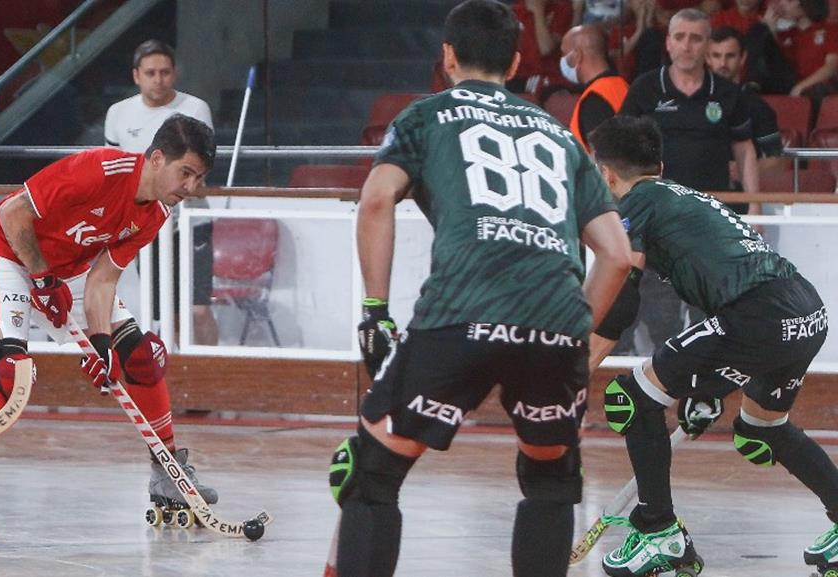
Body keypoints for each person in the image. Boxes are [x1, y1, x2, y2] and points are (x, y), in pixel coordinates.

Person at [325, 2, 632, 576]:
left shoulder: (426, 116)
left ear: (446, 57)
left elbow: (374, 200)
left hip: (460, 315)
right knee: (551, 481)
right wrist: (570, 334)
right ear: (516, 62)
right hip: (558, 324)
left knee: (370, 474)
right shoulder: (559, 137)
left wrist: (375, 311)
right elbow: (616, 255)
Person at [0, 114, 220, 537]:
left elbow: (103, 280)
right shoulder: (99, 170)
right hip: (6, 256)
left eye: (199, 178)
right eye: (185, 173)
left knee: (141, 357)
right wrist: (40, 278)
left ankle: (168, 473)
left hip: (68, 273)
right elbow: (13, 215)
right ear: (155, 158)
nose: (191, 188)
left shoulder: (156, 212)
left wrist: (102, 343)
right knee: (8, 370)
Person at [587, 114, 836, 577]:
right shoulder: (683, 197)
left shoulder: (637, 201)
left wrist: (575, 371)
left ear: (604, 174)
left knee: (631, 399)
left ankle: (660, 533)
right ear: (658, 164)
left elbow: (621, 300)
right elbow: (720, 291)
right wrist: (707, 387)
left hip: (758, 315)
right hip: (804, 310)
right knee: (763, 431)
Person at [618, 8, 759, 354]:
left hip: (710, 218)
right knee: (653, 299)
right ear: (668, 43)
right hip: (655, 216)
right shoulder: (645, 88)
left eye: (696, 38)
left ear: (706, 44)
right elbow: (620, 149)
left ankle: (699, 375)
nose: (687, 45)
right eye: (679, 37)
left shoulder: (728, 93)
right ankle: (657, 372)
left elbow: (745, 151)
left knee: (710, 303)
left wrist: (755, 207)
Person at [104, 40, 218, 346]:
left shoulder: (195, 108)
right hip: (146, 224)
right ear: (136, 76)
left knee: (198, 310)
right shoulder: (118, 113)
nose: (158, 79)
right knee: (164, 313)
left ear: (175, 73)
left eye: (165, 72)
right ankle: (176, 374)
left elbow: (201, 168)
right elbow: (114, 172)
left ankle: (212, 372)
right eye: (151, 72)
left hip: (190, 223)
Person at [707, 26, 785, 172]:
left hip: (737, 190)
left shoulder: (757, 106)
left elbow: (777, 162)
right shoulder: (693, 101)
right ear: (707, 58)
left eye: (730, 56)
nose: (723, 64)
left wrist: (734, 171)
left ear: (742, 58)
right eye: (716, 56)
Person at [559, 24, 630, 150]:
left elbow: (603, 161)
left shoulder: (594, 99)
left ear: (577, 56)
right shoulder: (623, 85)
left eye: (564, 54)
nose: (562, 60)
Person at [763, 0, 838, 99]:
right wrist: (771, 28)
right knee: (759, 33)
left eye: (789, 1)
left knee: (817, 89)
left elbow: (832, 66)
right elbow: (779, 65)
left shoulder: (831, 30)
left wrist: (801, 86)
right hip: (790, 86)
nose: (781, 3)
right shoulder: (787, 35)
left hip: (818, 89)